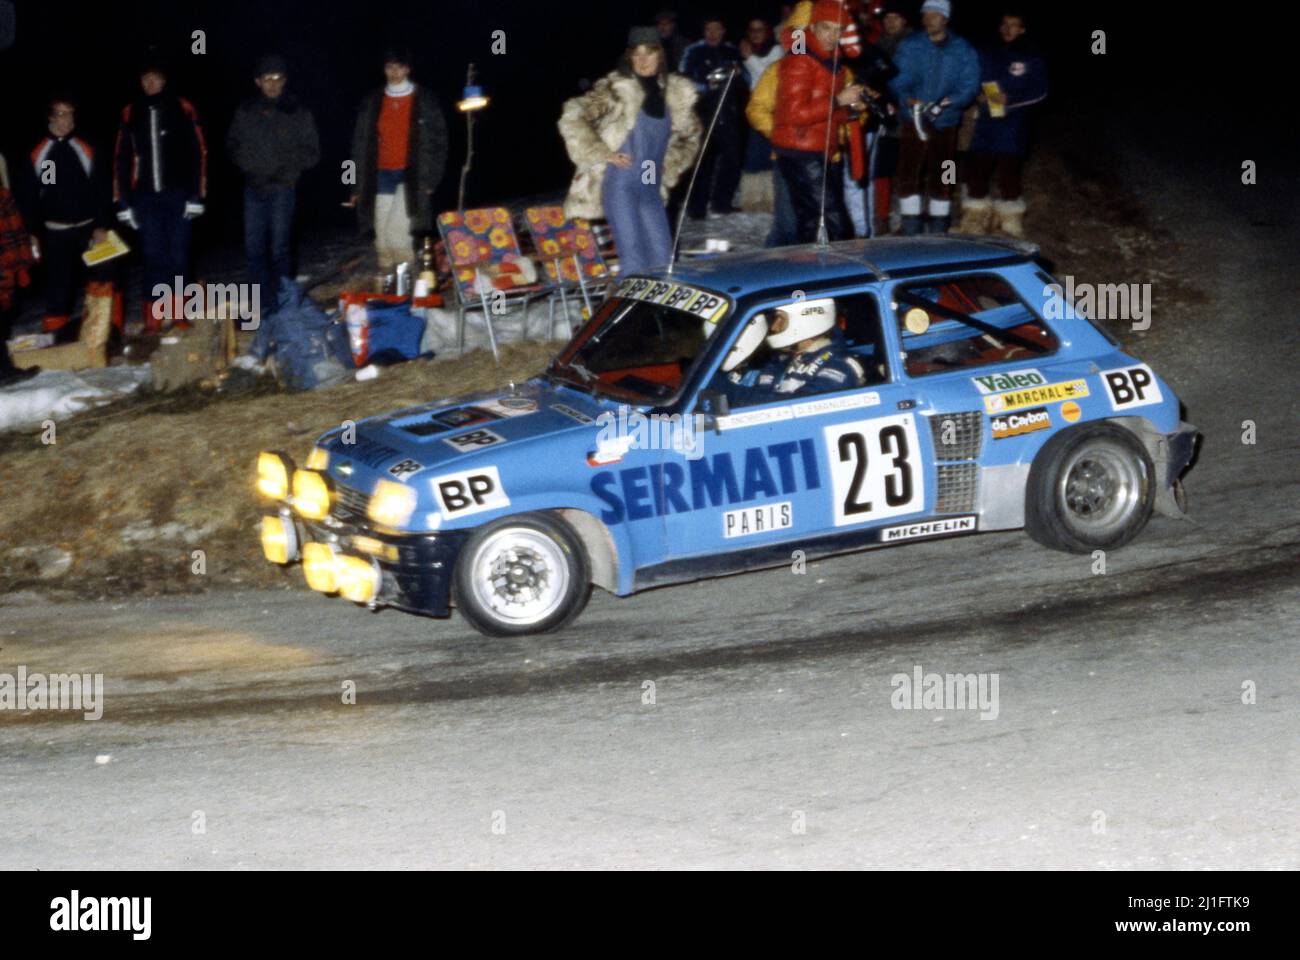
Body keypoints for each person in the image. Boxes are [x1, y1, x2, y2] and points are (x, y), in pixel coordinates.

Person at [559, 27, 701, 276]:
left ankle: (659, 314)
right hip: (620, 183)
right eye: (637, 54)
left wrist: (671, 161)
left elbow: (691, 136)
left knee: (663, 260)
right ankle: (626, 312)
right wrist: (601, 152)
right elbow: (573, 115)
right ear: (629, 57)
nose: (643, 60)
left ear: (660, 56)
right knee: (634, 260)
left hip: (650, 184)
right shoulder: (616, 90)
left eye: (650, 52)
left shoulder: (676, 94)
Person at [113, 56, 208, 333]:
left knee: (178, 256)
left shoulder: (182, 107)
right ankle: (153, 316)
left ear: (164, 80)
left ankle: (178, 313)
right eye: (145, 78)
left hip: (178, 196)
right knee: (153, 255)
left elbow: (199, 152)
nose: (150, 83)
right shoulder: (130, 112)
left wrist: (196, 196)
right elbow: (121, 157)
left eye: (155, 77)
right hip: (145, 197)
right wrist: (123, 202)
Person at [227, 54, 320, 316]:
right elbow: (232, 145)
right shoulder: (245, 110)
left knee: (280, 248)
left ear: (284, 81)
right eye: (267, 79)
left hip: (283, 188)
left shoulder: (297, 110)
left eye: (277, 78)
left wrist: (288, 167)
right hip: (253, 189)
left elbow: (312, 151)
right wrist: (247, 164)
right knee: (254, 250)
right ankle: (261, 306)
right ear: (258, 81)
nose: (272, 84)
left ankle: (283, 305)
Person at [771, 0, 864, 244]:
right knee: (835, 223)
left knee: (813, 221)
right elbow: (794, 113)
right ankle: (836, 275)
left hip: (817, 148)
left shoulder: (831, 60)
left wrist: (850, 111)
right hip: (800, 150)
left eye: (839, 30)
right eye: (826, 28)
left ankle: (809, 273)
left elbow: (825, 113)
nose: (833, 36)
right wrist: (838, 100)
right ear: (812, 27)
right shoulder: (801, 59)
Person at [20, 97, 112, 342]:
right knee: (58, 285)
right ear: (50, 117)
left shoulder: (86, 147)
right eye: (61, 114)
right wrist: (33, 232)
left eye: (70, 114)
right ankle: (55, 336)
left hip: (89, 228)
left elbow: (101, 189)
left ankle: (107, 333)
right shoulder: (41, 152)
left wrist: (102, 225)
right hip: (56, 232)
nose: (66, 120)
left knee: (103, 278)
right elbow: (36, 195)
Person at [348, 46, 448, 271]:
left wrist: (432, 179)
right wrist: (355, 185)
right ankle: (390, 290)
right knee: (381, 242)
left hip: (411, 177)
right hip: (380, 175)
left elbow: (440, 142)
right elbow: (359, 144)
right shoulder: (373, 100)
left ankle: (412, 286)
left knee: (397, 236)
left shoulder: (424, 99)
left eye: (399, 67)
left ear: (408, 69)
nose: (394, 72)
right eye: (389, 67)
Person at [889, 0, 980, 234]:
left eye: (934, 15)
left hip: (946, 122)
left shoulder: (962, 49)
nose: (928, 20)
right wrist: (908, 99)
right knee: (909, 170)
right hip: (915, 120)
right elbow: (898, 79)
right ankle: (910, 225)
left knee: (946, 172)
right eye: (925, 15)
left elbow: (969, 84)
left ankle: (940, 225)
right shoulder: (911, 46)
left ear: (945, 19)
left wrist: (950, 102)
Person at [958, 11, 1046, 238]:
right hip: (985, 124)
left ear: (1022, 30)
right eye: (1005, 24)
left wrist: (1012, 99)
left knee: (1009, 175)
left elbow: (1040, 91)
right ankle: (974, 220)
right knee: (976, 172)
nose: (1008, 29)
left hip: (1013, 126)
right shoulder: (986, 52)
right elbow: (971, 79)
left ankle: (1009, 224)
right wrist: (975, 94)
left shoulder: (1031, 56)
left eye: (1014, 25)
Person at [724, 297, 866, 401]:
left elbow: (797, 408)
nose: (773, 327)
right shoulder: (779, 359)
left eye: (780, 320)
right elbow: (756, 396)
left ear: (805, 320)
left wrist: (727, 392)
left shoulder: (841, 366)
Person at [680, 16, 747, 218]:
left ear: (723, 30)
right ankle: (697, 208)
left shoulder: (732, 50)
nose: (713, 34)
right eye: (709, 29)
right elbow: (683, 81)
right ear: (703, 31)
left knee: (732, 160)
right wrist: (705, 86)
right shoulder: (693, 51)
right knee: (702, 162)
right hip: (702, 114)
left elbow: (746, 78)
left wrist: (738, 73)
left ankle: (721, 203)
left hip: (728, 113)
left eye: (717, 29)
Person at [872, 1, 912, 234]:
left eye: (896, 17)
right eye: (887, 18)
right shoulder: (878, 45)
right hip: (885, 117)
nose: (890, 22)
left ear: (905, 20)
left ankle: (915, 217)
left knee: (939, 166)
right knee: (883, 167)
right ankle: (882, 216)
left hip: (911, 114)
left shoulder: (915, 44)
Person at [738, 18, 782, 212]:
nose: (755, 34)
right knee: (754, 155)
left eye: (760, 30)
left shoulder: (778, 50)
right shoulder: (745, 51)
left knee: (771, 153)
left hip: (774, 108)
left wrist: (749, 59)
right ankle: (754, 200)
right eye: (752, 30)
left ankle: (773, 199)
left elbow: (768, 75)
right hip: (755, 108)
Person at [0, 177, 39, 385]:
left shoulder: (3, 195)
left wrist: (21, 265)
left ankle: (4, 370)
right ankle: (4, 372)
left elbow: (14, 230)